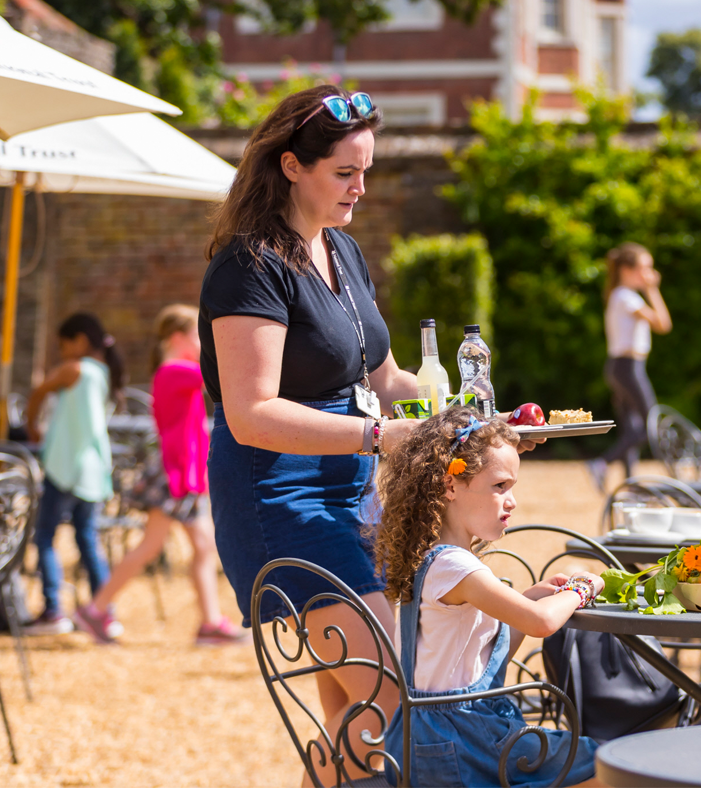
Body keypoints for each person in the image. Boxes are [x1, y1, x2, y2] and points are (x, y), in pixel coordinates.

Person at [200, 85, 539, 785]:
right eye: (345, 172)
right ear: (292, 166)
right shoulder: (248, 265)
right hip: (277, 496)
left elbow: (386, 377)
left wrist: (479, 425)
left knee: (348, 709)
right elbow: (250, 411)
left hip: (352, 492)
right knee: (388, 692)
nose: (362, 186)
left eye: (368, 171)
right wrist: (378, 438)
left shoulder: (343, 252)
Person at [374, 408, 601, 787]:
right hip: (466, 741)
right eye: (500, 486)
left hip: (422, 740)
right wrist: (584, 587)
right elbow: (542, 622)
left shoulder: (432, 560)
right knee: (611, 761)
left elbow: (479, 661)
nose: (511, 501)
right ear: (450, 486)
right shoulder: (455, 566)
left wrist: (529, 598)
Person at [72, 305, 245, 646]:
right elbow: (217, 376)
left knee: (200, 545)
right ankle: (95, 610)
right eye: (199, 336)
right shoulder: (174, 371)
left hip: (182, 471)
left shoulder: (174, 370)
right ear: (179, 338)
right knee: (154, 547)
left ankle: (209, 622)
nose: (203, 344)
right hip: (174, 472)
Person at [21, 312, 124, 635]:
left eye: (62, 344)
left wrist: (33, 429)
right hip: (93, 471)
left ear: (79, 341)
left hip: (64, 467)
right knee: (87, 541)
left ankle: (53, 611)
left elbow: (37, 393)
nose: (61, 351)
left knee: (45, 537)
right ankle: (103, 610)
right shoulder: (104, 372)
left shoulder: (73, 369)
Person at [588, 243, 672, 491]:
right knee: (650, 425)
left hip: (622, 367)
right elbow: (663, 324)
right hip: (628, 368)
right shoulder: (626, 297)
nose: (650, 273)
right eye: (645, 268)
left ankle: (631, 486)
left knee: (632, 428)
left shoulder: (621, 296)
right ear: (627, 269)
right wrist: (652, 289)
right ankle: (601, 463)